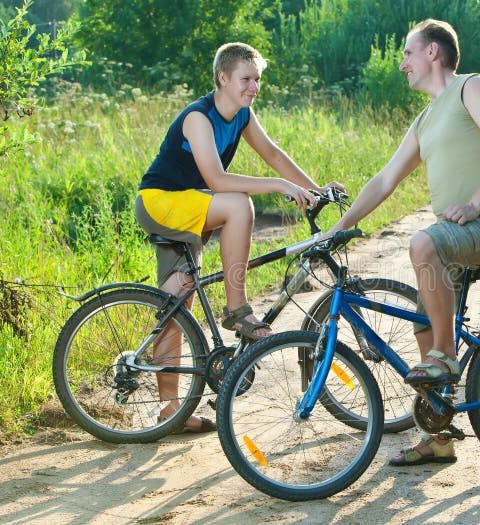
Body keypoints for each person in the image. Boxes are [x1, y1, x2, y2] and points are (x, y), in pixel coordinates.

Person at [325, 19, 480, 464]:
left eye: (408, 53)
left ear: (433, 51)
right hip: (455, 236)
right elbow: (385, 180)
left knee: (422, 244)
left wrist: (475, 203)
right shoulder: (425, 120)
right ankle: (439, 436)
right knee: (421, 322)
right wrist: (338, 229)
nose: (402, 64)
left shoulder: (472, 87)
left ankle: (445, 356)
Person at [135, 42, 343, 433]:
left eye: (257, 79)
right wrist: (278, 185)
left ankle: (170, 412)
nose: (254, 87)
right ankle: (237, 308)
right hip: (161, 203)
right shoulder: (198, 118)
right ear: (223, 78)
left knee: (176, 304)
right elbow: (217, 180)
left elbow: (274, 154)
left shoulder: (243, 114)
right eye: (246, 79)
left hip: (190, 205)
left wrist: (315, 190)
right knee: (238, 204)